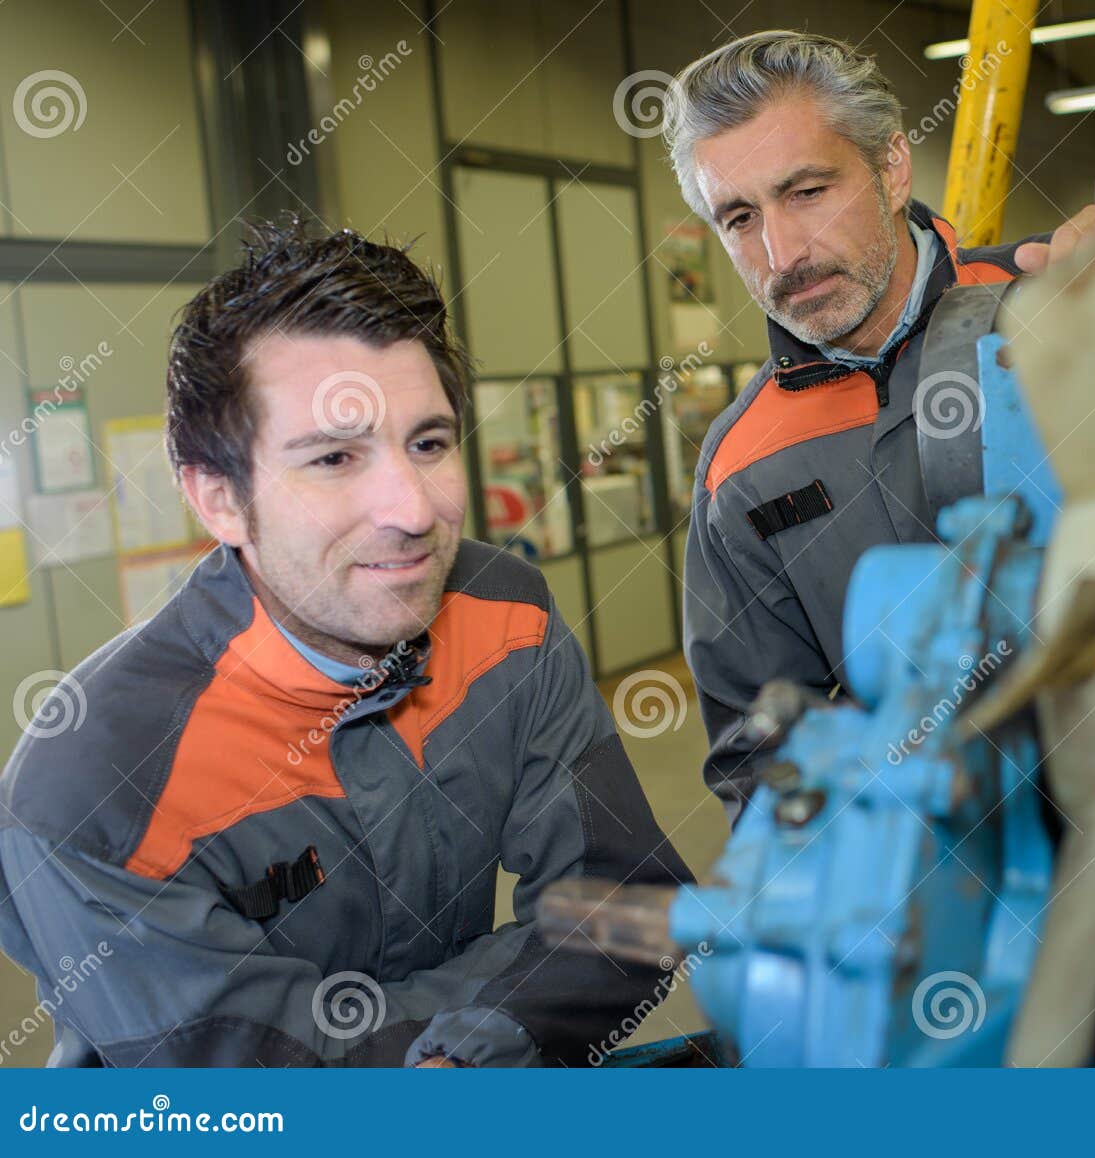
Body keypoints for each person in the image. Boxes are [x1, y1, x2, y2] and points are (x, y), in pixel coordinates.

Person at [0, 221, 691, 1067]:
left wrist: (456, 1056)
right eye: (334, 458)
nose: (411, 509)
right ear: (218, 500)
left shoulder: (505, 610)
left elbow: (631, 908)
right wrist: (492, 1018)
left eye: (428, 443)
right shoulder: (94, 781)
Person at [666, 30, 1095, 820]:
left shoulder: (1063, 309)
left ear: (892, 168)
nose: (781, 252)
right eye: (738, 217)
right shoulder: (743, 472)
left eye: (806, 192)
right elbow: (762, 763)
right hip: (946, 895)